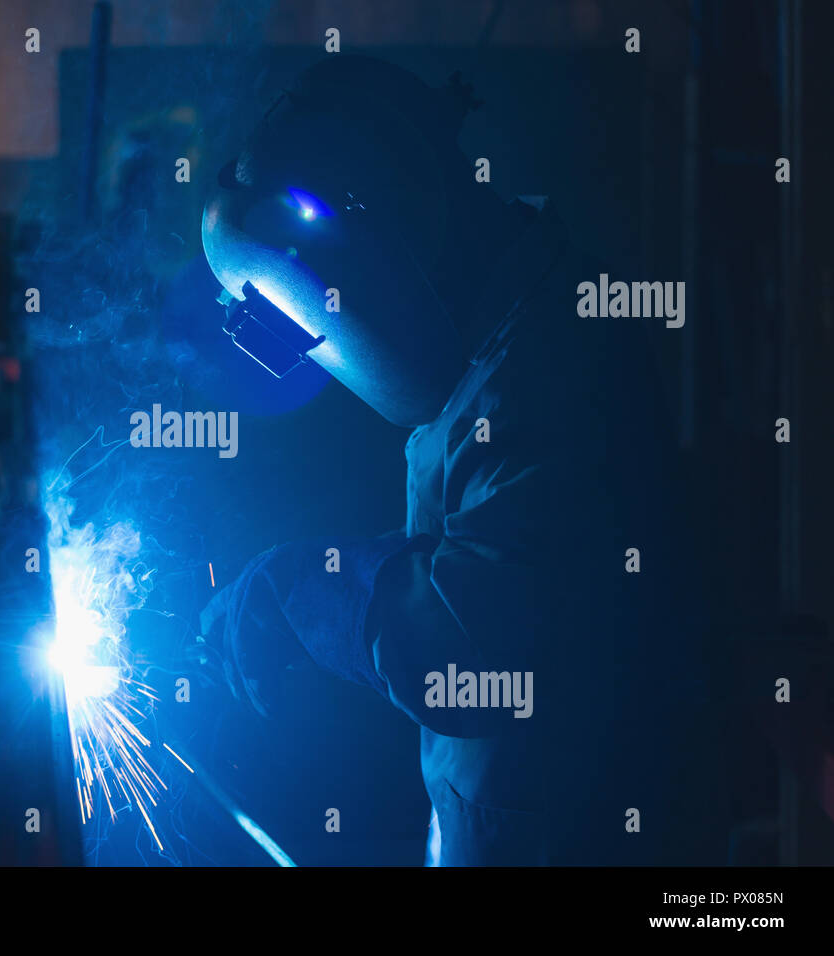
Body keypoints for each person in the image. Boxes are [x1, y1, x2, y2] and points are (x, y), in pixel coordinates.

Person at [198, 55, 721, 865]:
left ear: (389, 235)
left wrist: (296, 586)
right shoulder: (489, 351)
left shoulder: (546, 365)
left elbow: (480, 643)